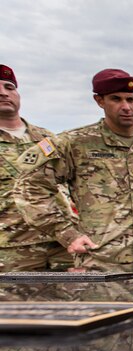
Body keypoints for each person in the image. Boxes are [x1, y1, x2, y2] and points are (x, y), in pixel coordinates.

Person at [13, 68, 133, 271]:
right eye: (116, 99)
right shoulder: (75, 144)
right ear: (100, 101)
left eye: (130, 100)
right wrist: (68, 234)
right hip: (104, 264)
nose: (126, 107)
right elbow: (29, 188)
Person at [0, 64, 73, 271]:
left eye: (9, 87)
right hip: (11, 248)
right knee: (13, 304)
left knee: (74, 302)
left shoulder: (46, 138)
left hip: (62, 244)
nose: (4, 93)